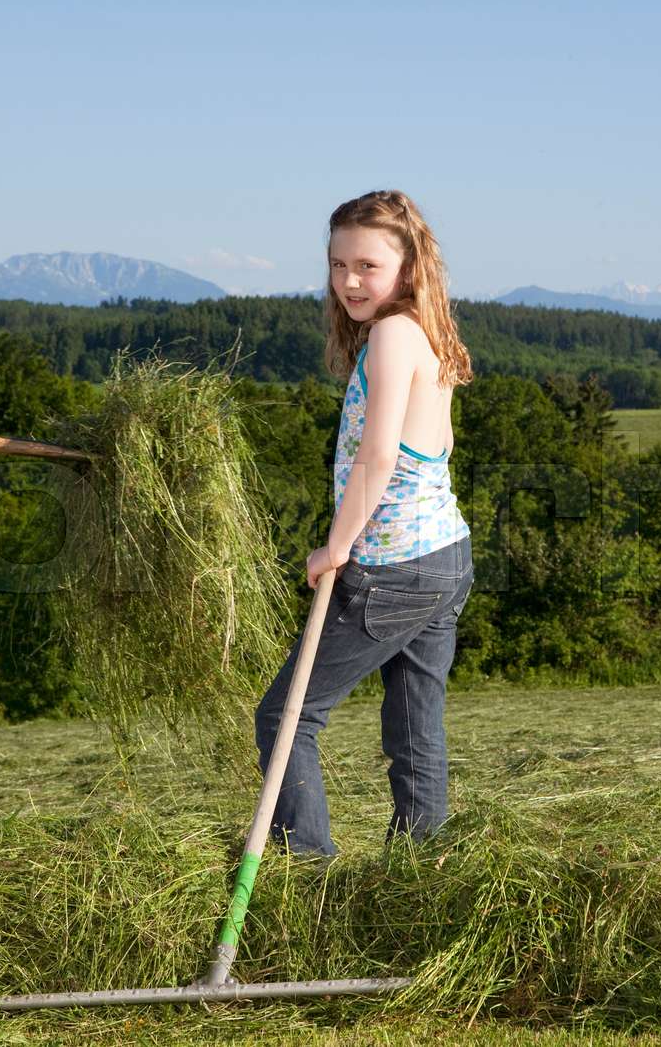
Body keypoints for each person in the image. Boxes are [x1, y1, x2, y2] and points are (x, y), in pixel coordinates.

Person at [255, 190, 475, 858]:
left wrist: (336, 547)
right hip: (444, 557)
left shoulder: (389, 334)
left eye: (367, 266)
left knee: (286, 718)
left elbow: (379, 457)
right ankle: (420, 874)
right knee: (414, 729)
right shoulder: (426, 332)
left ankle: (311, 875)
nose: (349, 281)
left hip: (393, 567)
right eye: (336, 264)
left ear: (408, 267)